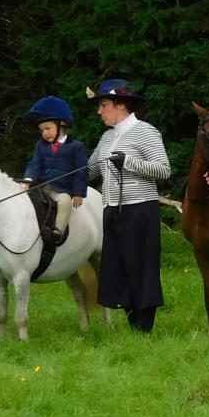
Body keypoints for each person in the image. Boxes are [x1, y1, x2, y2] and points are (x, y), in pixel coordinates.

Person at [86, 80, 171, 332]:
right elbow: (89, 170)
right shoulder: (106, 136)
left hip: (140, 208)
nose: (99, 111)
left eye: (103, 105)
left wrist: (129, 162)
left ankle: (144, 326)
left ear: (121, 105)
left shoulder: (146, 131)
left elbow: (163, 170)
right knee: (119, 265)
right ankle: (133, 320)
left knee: (141, 265)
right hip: (112, 209)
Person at [19, 96, 87, 243]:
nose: (44, 133)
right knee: (19, 196)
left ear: (61, 126)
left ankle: (58, 231)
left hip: (61, 188)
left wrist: (78, 193)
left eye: (47, 128)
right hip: (40, 186)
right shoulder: (40, 146)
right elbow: (34, 163)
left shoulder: (76, 146)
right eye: (41, 130)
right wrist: (28, 179)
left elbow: (81, 171)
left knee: (65, 202)